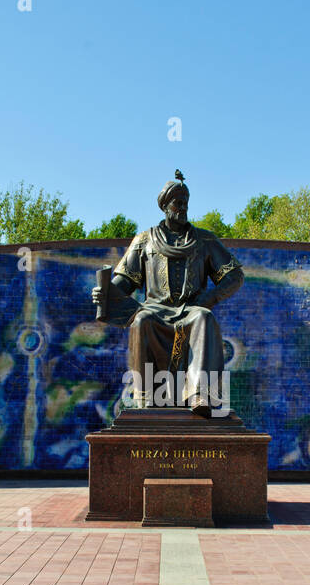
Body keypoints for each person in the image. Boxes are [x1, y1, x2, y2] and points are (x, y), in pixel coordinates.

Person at [91, 171, 244, 416]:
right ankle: (147, 399)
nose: (183, 207)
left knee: (203, 318)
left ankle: (199, 396)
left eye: (186, 203)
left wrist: (210, 298)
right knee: (141, 320)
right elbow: (123, 284)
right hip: (155, 311)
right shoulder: (144, 241)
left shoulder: (204, 240)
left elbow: (234, 275)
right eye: (177, 202)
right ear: (165, 206)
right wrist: (105, 294)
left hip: (190, 311)